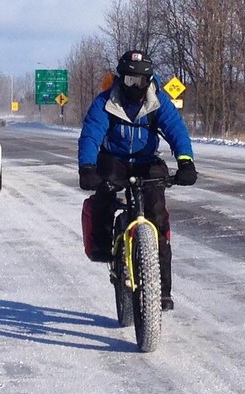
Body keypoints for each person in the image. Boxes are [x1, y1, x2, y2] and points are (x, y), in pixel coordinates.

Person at [77, 50, 198, 311]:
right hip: (114, 159)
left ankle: (162, 291)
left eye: (142, 81)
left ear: (149, 80)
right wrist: (87, 168)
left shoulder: (158, 101)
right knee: (104, 194)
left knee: (158, 218)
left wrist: (186, 161)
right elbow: (91, 134)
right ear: (121, 79)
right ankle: (103, 243)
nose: (136, 87)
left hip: (146, 161)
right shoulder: (105, 102)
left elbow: (176, 129)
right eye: (130, 81)